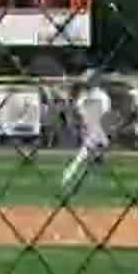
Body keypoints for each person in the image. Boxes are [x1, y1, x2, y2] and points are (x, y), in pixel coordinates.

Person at [59, 71, 112, 199]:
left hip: (96, 131)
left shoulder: (101, 96)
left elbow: (101, 115)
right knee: (88, 158)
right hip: (88, 131)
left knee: (82, 157)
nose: (86, 84)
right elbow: (78, 111)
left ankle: (68, 179)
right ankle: (76, 182)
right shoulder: (85, 95)